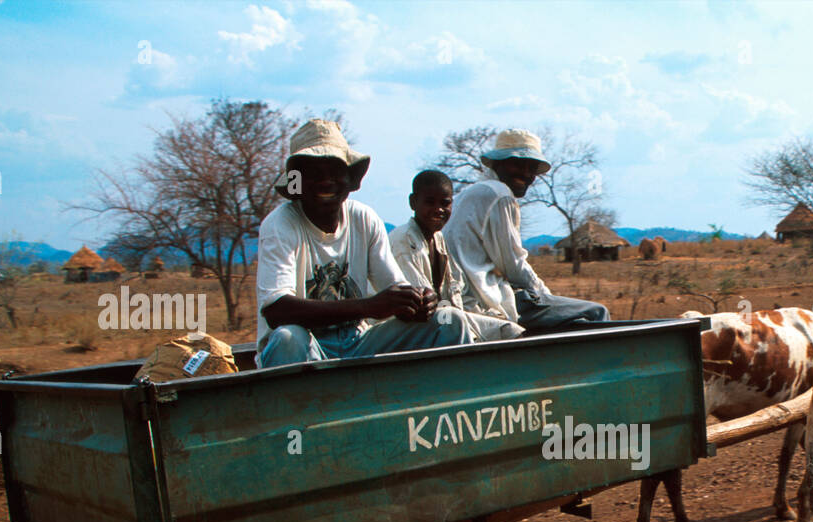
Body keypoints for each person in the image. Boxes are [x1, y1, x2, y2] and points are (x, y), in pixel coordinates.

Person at [256, 119, 474, 368]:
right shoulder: (281, 224)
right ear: (298, 181)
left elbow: (394, 287)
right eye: (314, 173)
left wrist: (418, 300)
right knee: (287, 338)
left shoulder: (363, 218)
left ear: (348, 179)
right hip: (308, 348)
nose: (326, 182)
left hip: (358, 344)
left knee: (450, 320)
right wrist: (367, 306)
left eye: (334, 172)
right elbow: (276, 311)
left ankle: (447, 402)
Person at [443, 129, 610, 335]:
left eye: (532, 168)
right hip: (486, 299)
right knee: (597, 313)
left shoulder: (469, 194)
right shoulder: (499, 194)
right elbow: (513, 265)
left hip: (465, 296)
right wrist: (545, 295)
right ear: (498, 163)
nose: (526, 174)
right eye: (518, 164)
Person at [388, 170, 525, 342]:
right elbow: (423, 307)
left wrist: (485, 316)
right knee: (459, 324)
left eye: (445, 204)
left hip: (442, 319)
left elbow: (456, 295)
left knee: (507, 328)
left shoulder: (438, 239)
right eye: (430, 202)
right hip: (410, 328)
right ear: (413, 202)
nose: (438, 210)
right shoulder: (404, 241)